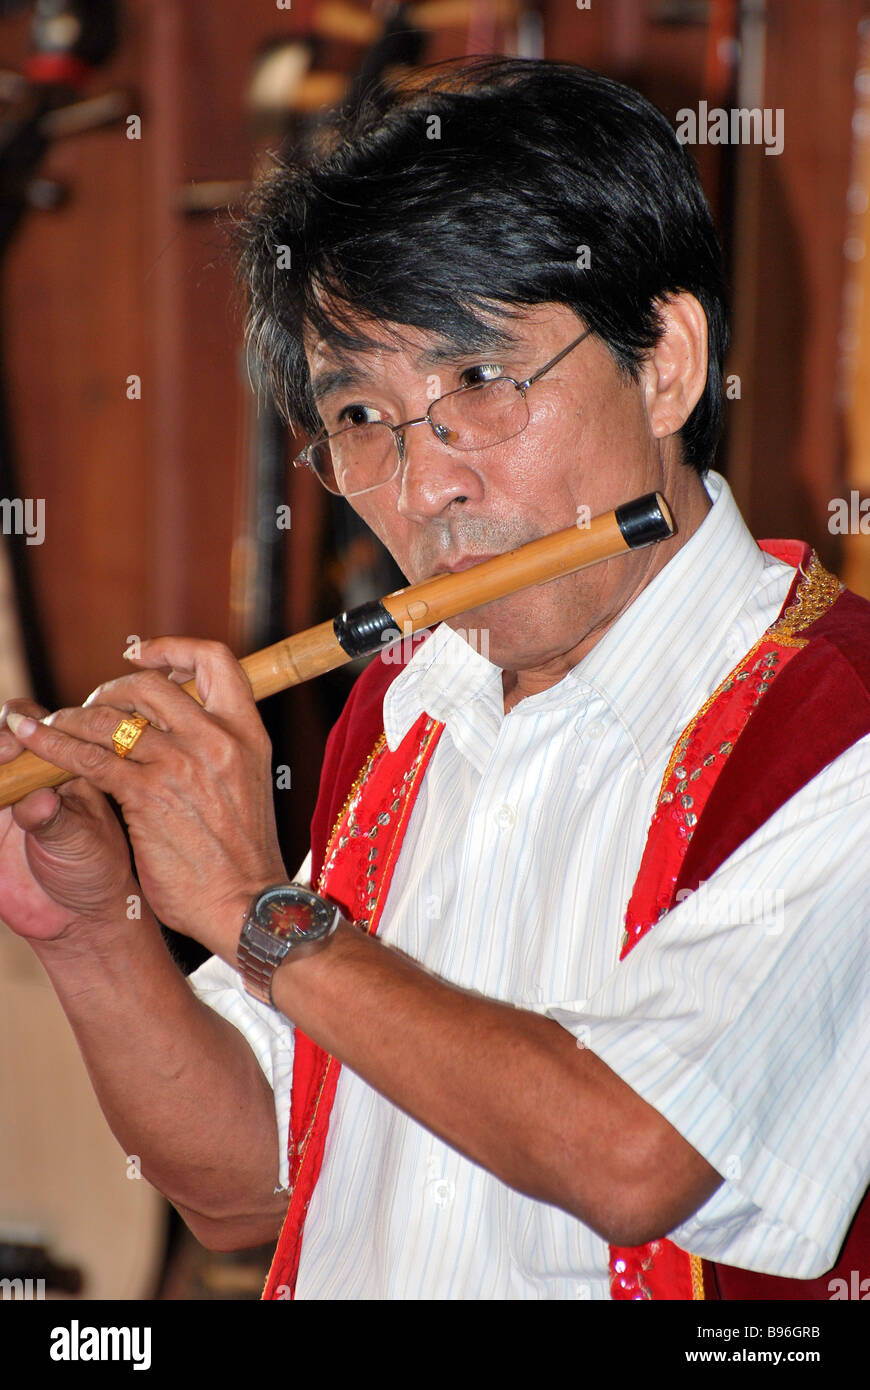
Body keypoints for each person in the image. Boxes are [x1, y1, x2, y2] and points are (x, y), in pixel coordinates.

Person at [0, 58, 867, 1301]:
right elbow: (248, 1185)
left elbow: (635, 1154)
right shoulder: (405, 708)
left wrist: (258, 910)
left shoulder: (837, 723)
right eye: (360, 417)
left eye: (478, 382)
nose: (424, 488)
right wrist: (89, 928)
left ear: (667, 362)